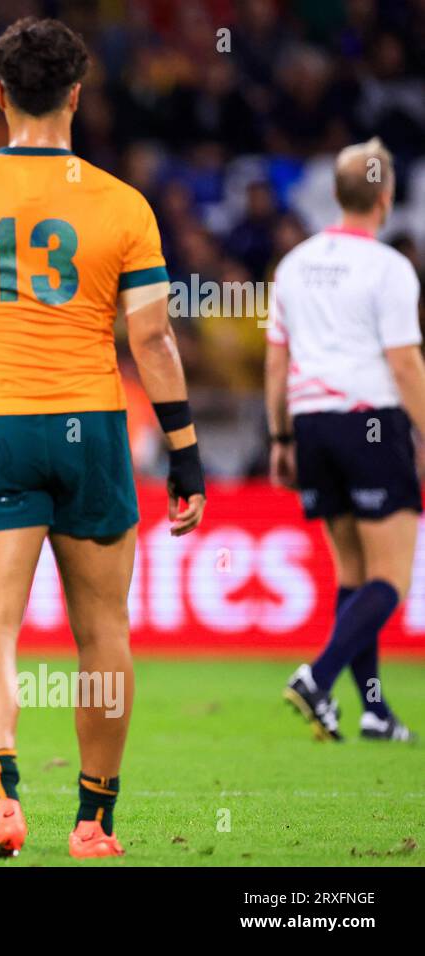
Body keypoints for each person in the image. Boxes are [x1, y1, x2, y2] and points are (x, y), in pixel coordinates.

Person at [0, 18, 206, 860]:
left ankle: (2, 797)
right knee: (103, 632)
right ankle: (94, 823)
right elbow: (153, 342)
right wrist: (183, 452)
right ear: (77, 95)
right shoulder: (122, 203)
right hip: (95, 430)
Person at [268, 138, 422, 744]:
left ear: (336, 193)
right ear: (386, 197)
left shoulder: (294, 264)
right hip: (371, 422)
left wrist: (280, 435)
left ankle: (375, 712)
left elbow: (276, 363)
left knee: (354, 574)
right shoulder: (390, 268)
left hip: (311, 425)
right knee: (391, 579)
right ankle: (318, 679)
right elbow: (405, 364)